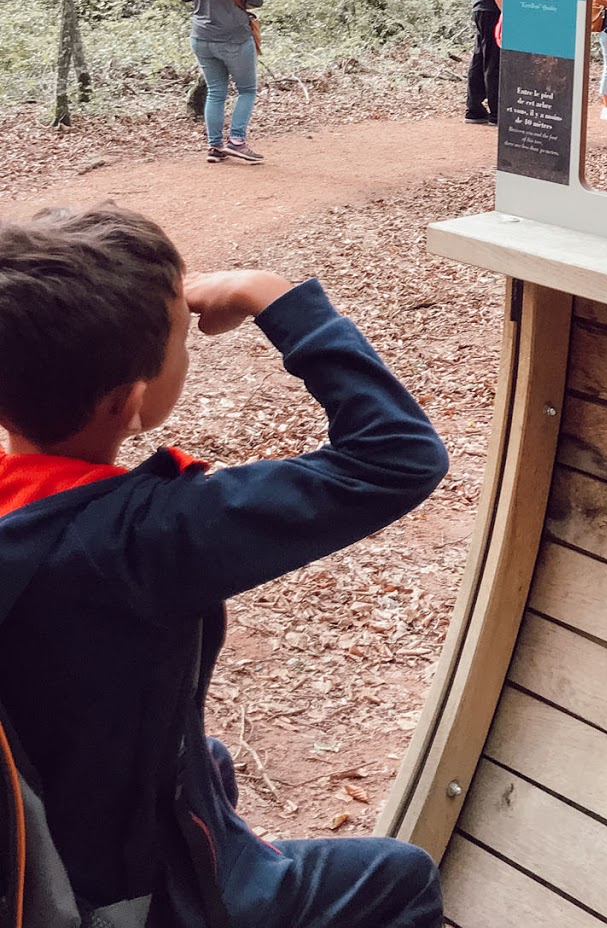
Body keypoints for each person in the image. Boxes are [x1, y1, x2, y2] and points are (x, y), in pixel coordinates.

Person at [0, 204, 449, 928]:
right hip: (127, 894)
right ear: (131, 404)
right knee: (399, 874)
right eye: (183, 341)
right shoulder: (141, 541)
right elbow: (397, 455)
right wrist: (272, 296)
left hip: (48, 832)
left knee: (210, 760)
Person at [181, 0, 264, 165]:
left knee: (216, 90)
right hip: (235, 36)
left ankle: (214, 147)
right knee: (247, 89)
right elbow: (256, 0)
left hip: (200, 36)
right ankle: (237, 140)